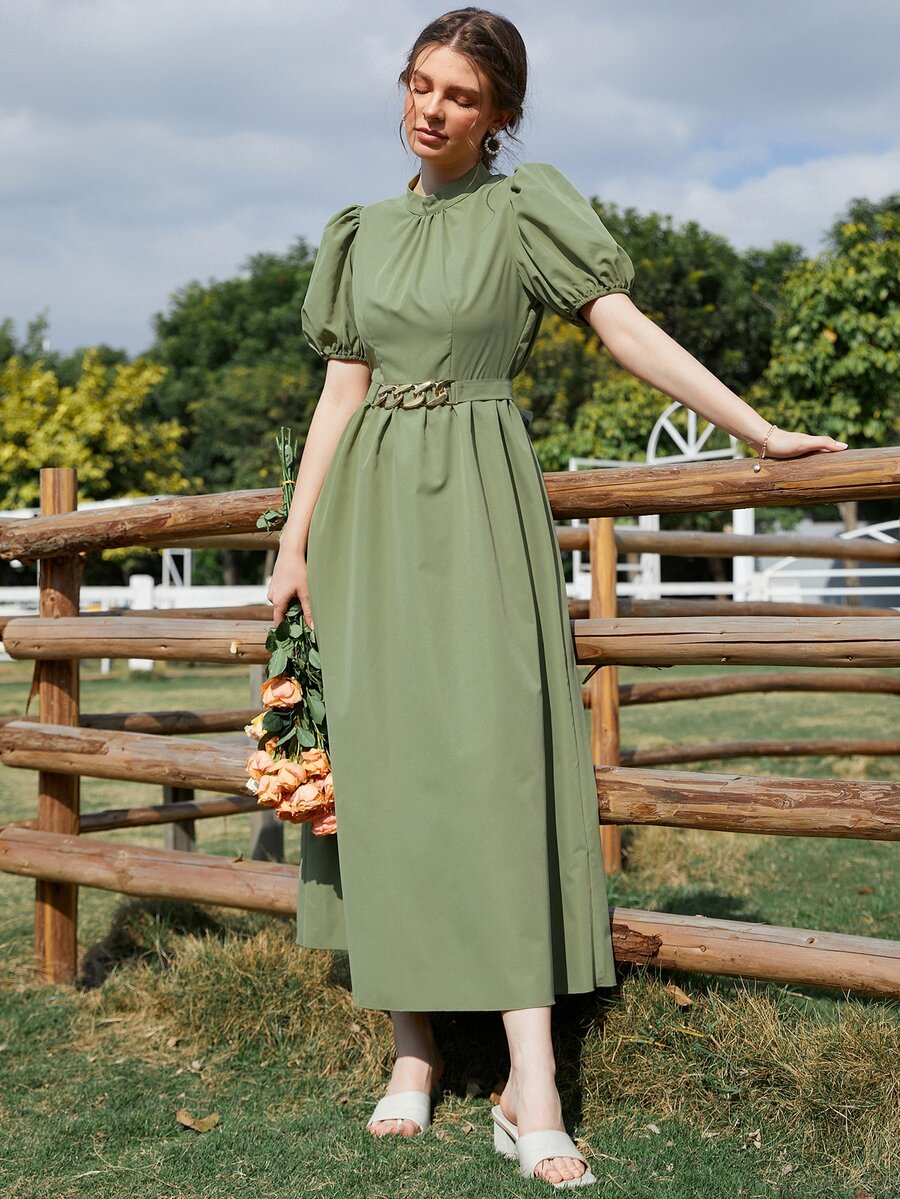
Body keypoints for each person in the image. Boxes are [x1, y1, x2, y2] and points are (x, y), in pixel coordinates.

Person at [266, 7, 849, 1188]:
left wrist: (755, 429)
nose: (431, 109)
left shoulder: (526, 211)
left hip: (479, 499)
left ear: (502, 117)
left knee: (495, 762)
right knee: (385, 762)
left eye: (462, 97)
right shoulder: (359, 234)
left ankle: (531, 1077)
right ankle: (414, 1049)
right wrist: (295, 544)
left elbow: (622, 327)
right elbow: (339, 396)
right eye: (421, 85)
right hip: (366, 512)